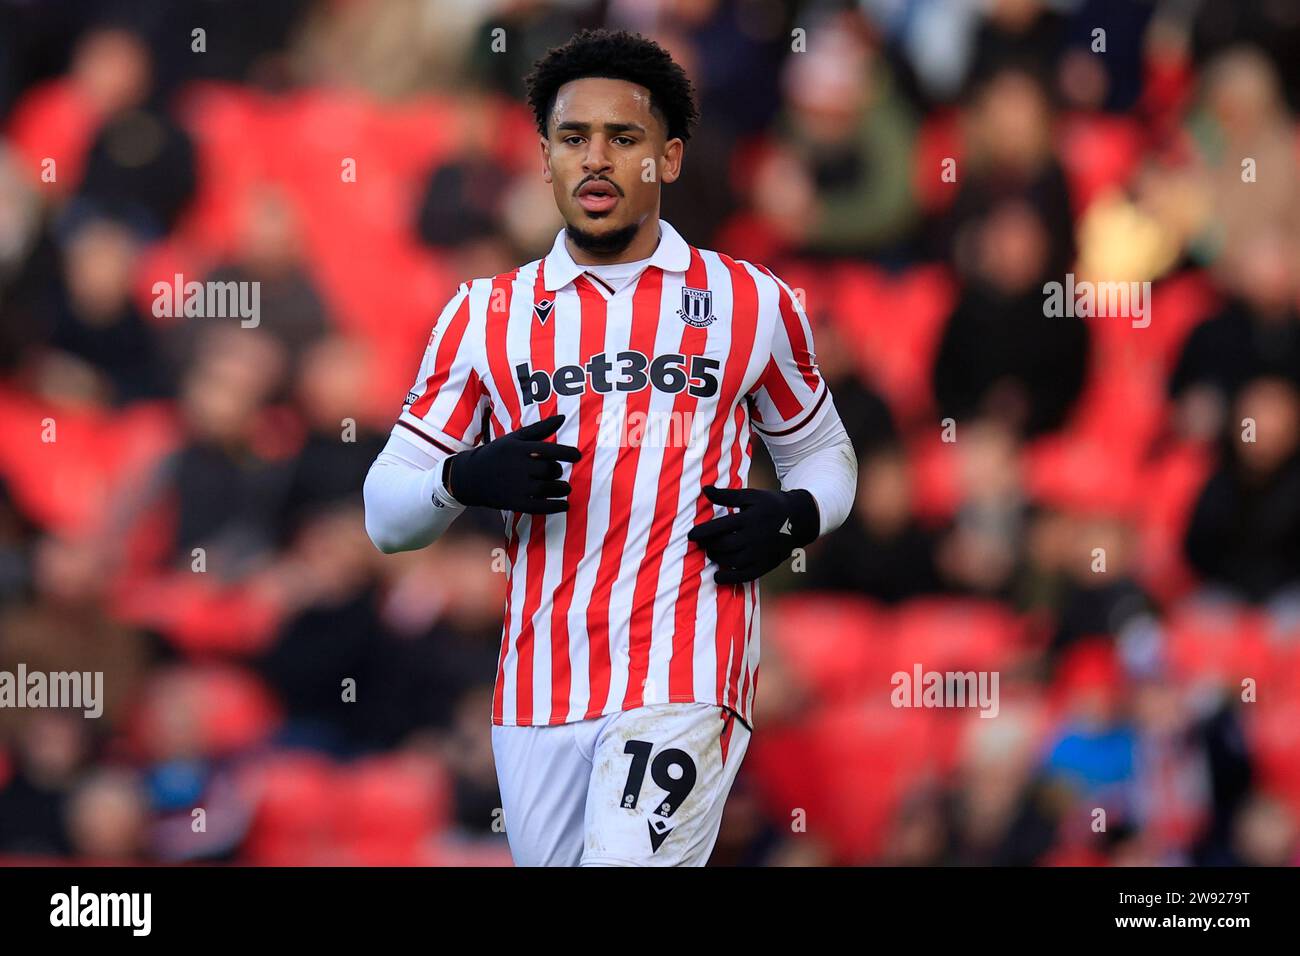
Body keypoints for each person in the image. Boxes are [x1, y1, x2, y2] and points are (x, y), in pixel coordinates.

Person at [363, 29, 857, 867]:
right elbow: (385, 514)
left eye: (622, 139)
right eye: (572, 138)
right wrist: (460, 477)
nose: (596, 159)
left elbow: (825, 453)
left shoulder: (751, 302)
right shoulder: (485, 315)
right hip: (538, 686)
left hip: (686, 666)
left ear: (666, 157)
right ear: (545, 159)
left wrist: (795, 514)